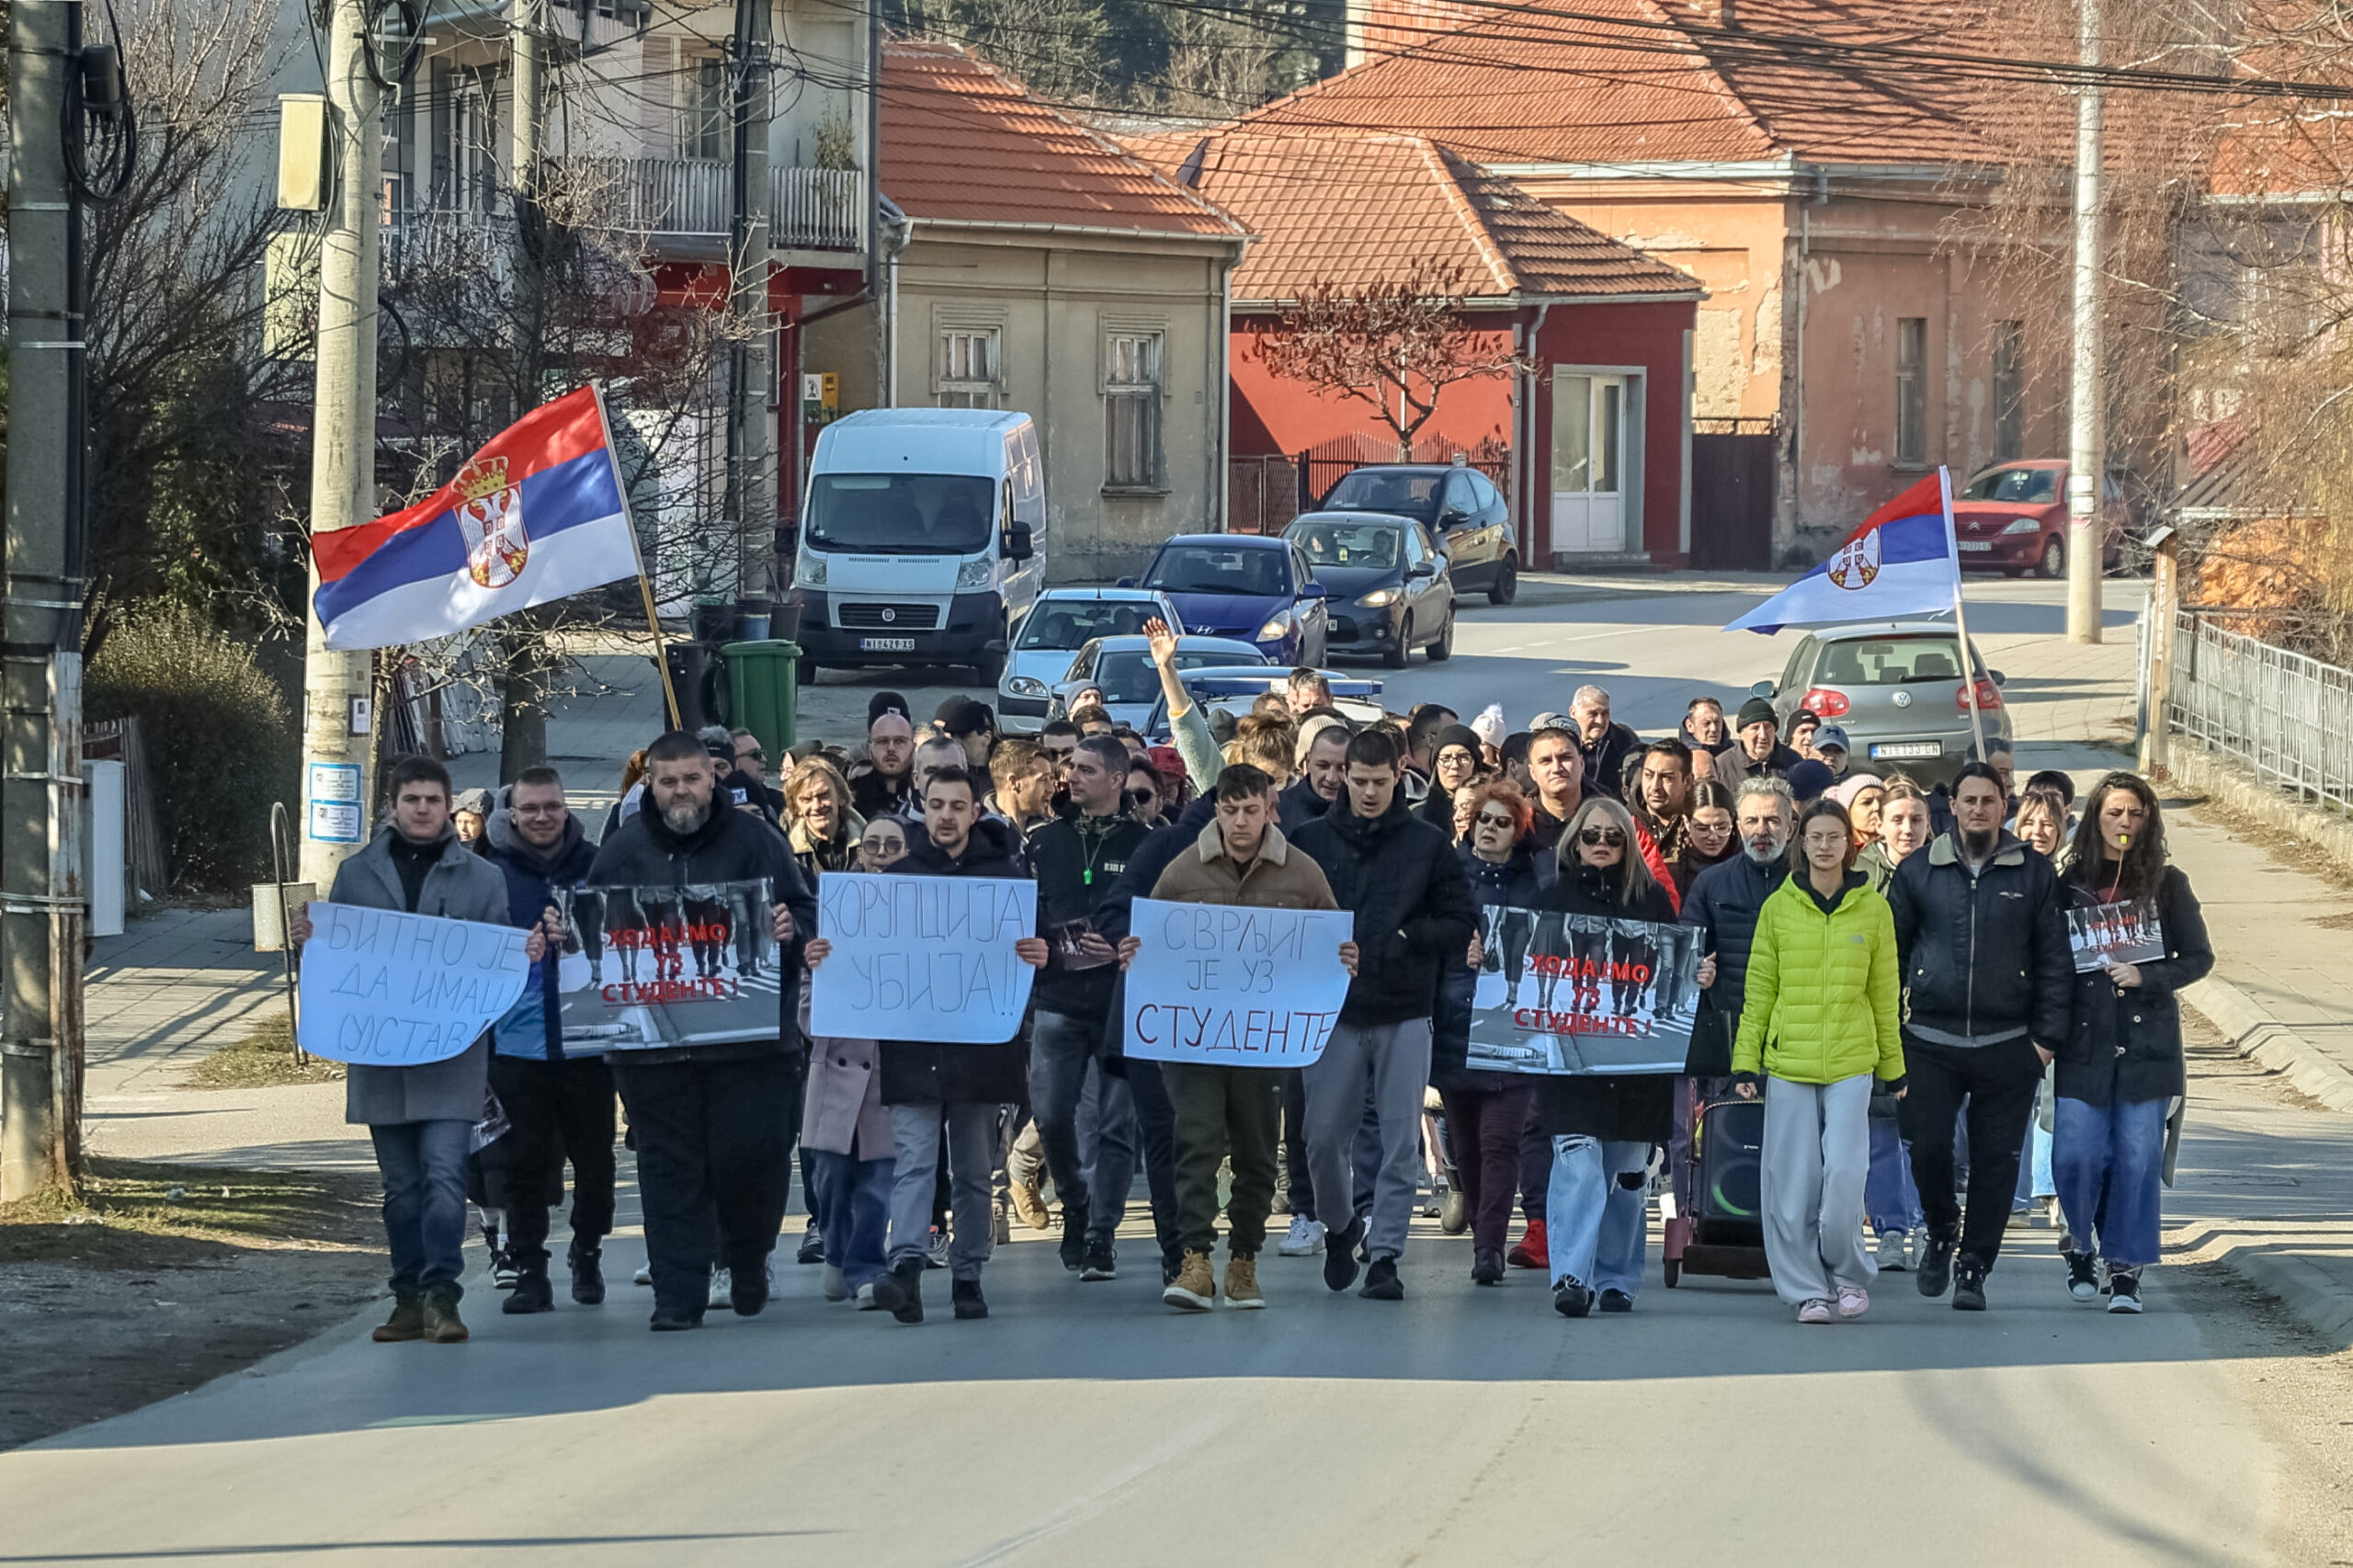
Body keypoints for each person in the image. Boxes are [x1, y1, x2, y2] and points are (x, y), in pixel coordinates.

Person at [290, 756, 543, 1346]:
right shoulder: (356, 874)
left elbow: (493, 959)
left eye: (433, 799)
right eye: (413, 800)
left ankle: (442, 1296)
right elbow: (340, 965)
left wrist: (519, 955)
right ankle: (405, 1295)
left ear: (449, 806)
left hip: (452, 1055)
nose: (423, 809)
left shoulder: (482, 880)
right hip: (379, 1055)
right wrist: (312, 942)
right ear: (393, 807)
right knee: (401, 1185)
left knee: (445, 1174)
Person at [585, 730, 816, 1331]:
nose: (681, 790)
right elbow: (594, 942)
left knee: (753, 1158)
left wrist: (792, 929)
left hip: (752, 1045)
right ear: (650, 786)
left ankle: (745, 1258)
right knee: (668, 1169)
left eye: (692, 778)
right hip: (654, 1053)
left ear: (712, 779)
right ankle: (677, 1297)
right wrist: (570, 936)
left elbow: (810, 916)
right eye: (668, 781)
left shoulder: (757, 841)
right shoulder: (621, 852)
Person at [1120, 763, 1350, 1311]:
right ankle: (1194, 1260)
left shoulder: (1302, 873)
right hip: (1192, 1039)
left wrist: (1344, 957)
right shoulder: (1182, 871)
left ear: (1270, 808)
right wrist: (1135, 953)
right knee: (1194, 1141)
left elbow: (1330, 937)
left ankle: (1244, 1260)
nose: (1240, 822)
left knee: (1255, 1148)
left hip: (1263, 1041)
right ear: (1216, 809)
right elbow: (1150, 939)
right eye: (1230, 810)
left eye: (1251, 810)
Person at [847, 766, 1046, 1324]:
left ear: (974, 812)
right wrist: (826, 955)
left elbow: (1040, 940)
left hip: (981, 1047)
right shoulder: (899, 878)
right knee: (913, 1160)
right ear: (923, 810)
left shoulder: (1005, 879)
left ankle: (967, 1274)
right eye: (936, 805)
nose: (946, 816)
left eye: (957, 806)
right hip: (914, 1045)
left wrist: (1038, 952)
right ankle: (906, 1266)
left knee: (974, 1167)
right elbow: (864, 954)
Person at [1292, 727, 1477, 1301]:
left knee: (1400, 1138)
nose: (1369, 792)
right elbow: (1283, 918)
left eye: (1380, 781)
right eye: (1359, 780)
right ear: (1341, 776)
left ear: (1400, 775)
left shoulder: (1427, 843)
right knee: (1321, 1138)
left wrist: (1406, 936)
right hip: (1332, 1012)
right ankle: (1342, 1225)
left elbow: (1461, 920)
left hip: (1403, 1007)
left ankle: (1386, 1254)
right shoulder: (1309, 840)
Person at [1887, 760, 2074, 1312]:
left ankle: (1974, 1268)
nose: (1977, 809)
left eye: (1987, 800)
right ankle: (1942, 1230)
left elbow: (2055, 964)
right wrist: (1889, 1034)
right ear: (1954, 808)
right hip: (1928, 1039)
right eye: (1968, 801)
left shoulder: (2033, 873)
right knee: (1927, 1148)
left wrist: (2045, 1043)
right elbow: (1889, 957)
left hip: (2009, 1043)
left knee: (1997, 1162)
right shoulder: (1919, 871)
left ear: (2003, 806)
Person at [1733, 798, 1905, 1324]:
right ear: (1799, 843)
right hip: (1789, 1062)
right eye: (1815, 837)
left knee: (1847, 1175)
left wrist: (1894, 1067)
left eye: (1835, 837)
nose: (1825, 846)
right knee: (1793, 1184)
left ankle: (1850, 1274)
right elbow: (1759, 990)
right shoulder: (1778, 909)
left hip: (1853, 1061)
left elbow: (1884, 993)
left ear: (1850, 846)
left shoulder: (1873, 908)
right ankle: (1808, 1289)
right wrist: (1746, 1061)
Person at [2052, 773, 2211, 1313]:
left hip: (2147, 1047)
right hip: (2084, 1043)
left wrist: (2150, 978)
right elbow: (2050, 961)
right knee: (2076, 1154)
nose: (2124, 823)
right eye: (2115, 812)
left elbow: (2198, 957)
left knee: (2137, 1156)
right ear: (2096, 818)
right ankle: (2079, 1240)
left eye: (2135, 814)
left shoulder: (2168, 884)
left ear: (2148, 822)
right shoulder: (2068, 883)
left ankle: (2125, 1266)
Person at [1539, 796, 1680, 1317]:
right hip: (1571, 1061)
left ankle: (1617, 1279)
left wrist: (1696, 979)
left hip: (1636, 1066)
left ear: (1629, 845)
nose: (1601, 845)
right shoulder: (1550, 897)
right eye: (1591, 836)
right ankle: (1570, 1276)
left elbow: (1674, 977)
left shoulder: (1654, 903)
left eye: (1613, 837)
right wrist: (1487, 957)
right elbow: (1522, 971)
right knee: (1578, 1167)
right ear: (1574, 840)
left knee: (1626, 1179)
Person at [476, 767, 609, 1315]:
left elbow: (633, 934)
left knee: (595, 1162)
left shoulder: (599, 863)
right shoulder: (487, 872)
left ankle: (588, 1250)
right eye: (529, 809)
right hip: (517, 1041)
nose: (541, 817)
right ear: (511, 812)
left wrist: (580, 935)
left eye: (551, 807)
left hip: (590, 1041)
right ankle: (529, 1266)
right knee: (523, 1164)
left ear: (566, 808)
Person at [1026, 736, 1153, 1281]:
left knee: (1116, 1125)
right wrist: (1034, 944)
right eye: (1069, 767)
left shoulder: (1150, 843)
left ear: (1117, 780)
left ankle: (1102, 1233)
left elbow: (1165, 914)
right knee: (1052, 1116)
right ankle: (1074, 1203)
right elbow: (1016, 910)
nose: (1071, 777)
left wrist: (1127, 940)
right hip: (1057, 998)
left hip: (1121, 1001)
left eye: (1086, 769)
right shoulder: (1041, 842)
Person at [1439, 779, 1546, 1283]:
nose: (1490, 829)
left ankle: (1490, 1247)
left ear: (1517, 831)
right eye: (1485, 819)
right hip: (1457, 1024)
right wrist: (1454, 949)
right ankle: (1485, 1230)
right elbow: (1426, 936)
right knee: (1467, 1146)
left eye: (1503, 823)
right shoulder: (1446, 874)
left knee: (1501, 1141)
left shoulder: (1538, 881)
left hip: (1512, 1028)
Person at [1682, 778, 1796, 1082]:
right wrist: (1696, 970)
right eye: (1752, 820)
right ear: (1738, 826)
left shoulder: (1812, 883)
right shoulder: (1710, 883)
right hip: (1731, 1032)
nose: (1762, 830)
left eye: (1773, 820)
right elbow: (1686, 956)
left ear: (1791, 828)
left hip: (1800, 1033)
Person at [783, 756, 864, 877]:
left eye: (824, 795)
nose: (816, 806)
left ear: (841, 796)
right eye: (806, 799)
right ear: (796, 807)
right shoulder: (784, 851)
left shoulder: (872, 843)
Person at [1636, 740, 1697, 886]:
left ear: (1687, 782)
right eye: (1649, 775)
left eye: (1667, 778)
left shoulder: (1701, 824)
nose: (1655, 786)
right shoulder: (1624, 823)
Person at [1569, 686, 1641, 802]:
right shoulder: (1562, 742)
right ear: (1573, 712)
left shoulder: (1623, 740)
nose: (1600, 721)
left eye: (1605, 713)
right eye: (1593, 714)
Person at [1524, 722, 1586, 852]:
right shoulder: (1516, 822)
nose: (1557, 768)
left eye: (1565, 758)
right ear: (1532, 772)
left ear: (1581, 764)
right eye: (1545, 761)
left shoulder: (1610, 816)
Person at [1281, 717, 1349, 833]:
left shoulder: (1370, 813)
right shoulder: (1277, 809)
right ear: (1308, 762)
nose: (1331, 778)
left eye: (1341, 768)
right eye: (1323, 766)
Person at [1716, 697, 1800, 783]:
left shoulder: (1794, 762)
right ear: (1742, 733)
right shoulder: (1723, 766)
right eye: (1755, 728)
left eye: (1768, 727)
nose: (1763, 735)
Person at [851, 710, 917, 821]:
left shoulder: (925, 793)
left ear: (913, 747)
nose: (891, 748)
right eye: (882, 741)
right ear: (869, 748)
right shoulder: (852, 796)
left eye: (900, 741)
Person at [1422, 723, 1486, 834]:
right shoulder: (1417, 814)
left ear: (1475, 763)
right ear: (1436, 764)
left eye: (1463, 758)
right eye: (1446, 758)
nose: (1455, 765)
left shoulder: (1493, 812)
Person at [1680, 779, 1739, 885]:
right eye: (1702, 829)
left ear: (1732, 821)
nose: (1713, 837)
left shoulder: (1748, 862)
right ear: (1686, 822)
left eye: (1721, 828)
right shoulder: (1673, 867)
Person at [731, 730, 789, 818]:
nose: (764, 759)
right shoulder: (719, 801)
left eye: (763, 753)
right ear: (733, 761)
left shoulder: (780, 801)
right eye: (755, 754)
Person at [936, 697, 997, 767]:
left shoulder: (1006, 769)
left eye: (963, 736)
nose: (955, 742)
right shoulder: (945, 772)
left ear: (986, 738)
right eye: (952, 736)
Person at [2014, 784, 2069, 860]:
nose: (2037, 831)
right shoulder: (2003, 869)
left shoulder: (2072, 870)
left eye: (2047, 824)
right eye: (2029, 823)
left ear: (2059, 831)